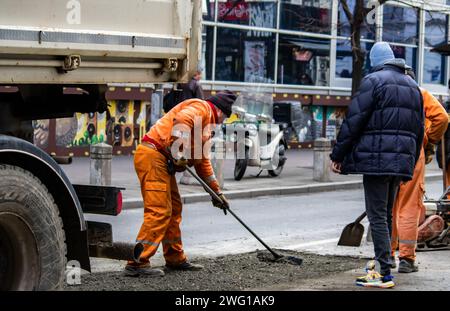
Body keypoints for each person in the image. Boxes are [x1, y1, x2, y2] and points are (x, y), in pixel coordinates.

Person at [330, 42, 424, 288]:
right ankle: (387, 260)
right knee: (387, 214)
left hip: (376, 161)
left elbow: (353, 122)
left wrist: (338, 155)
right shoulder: (413, 86)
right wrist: (410, 163)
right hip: (401, 162)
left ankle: (383, 272)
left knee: (377, 215)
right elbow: (419, 129)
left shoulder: (374, 81)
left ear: (375, 61)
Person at [124, 91, 237, 277]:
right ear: (219, 110)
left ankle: (175, 258)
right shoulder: (202, 108)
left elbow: (203, 164)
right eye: (226, 116)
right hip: (154, 156)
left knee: (174, 209)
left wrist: (216, 193)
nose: (224, 121)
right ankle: (137, 262)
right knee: (159, 211)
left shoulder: (205, 128)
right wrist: (179, 152)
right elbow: (182, 120)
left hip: (160, 160)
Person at [391, 87, 448, 273]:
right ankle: (406, 258)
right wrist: (428, 140)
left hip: (385, 155)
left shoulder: (380, 90)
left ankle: (386, 255)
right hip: (413, 152)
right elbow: (442, 118)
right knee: (409, 206)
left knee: (386, 207)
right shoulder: (418, 93)